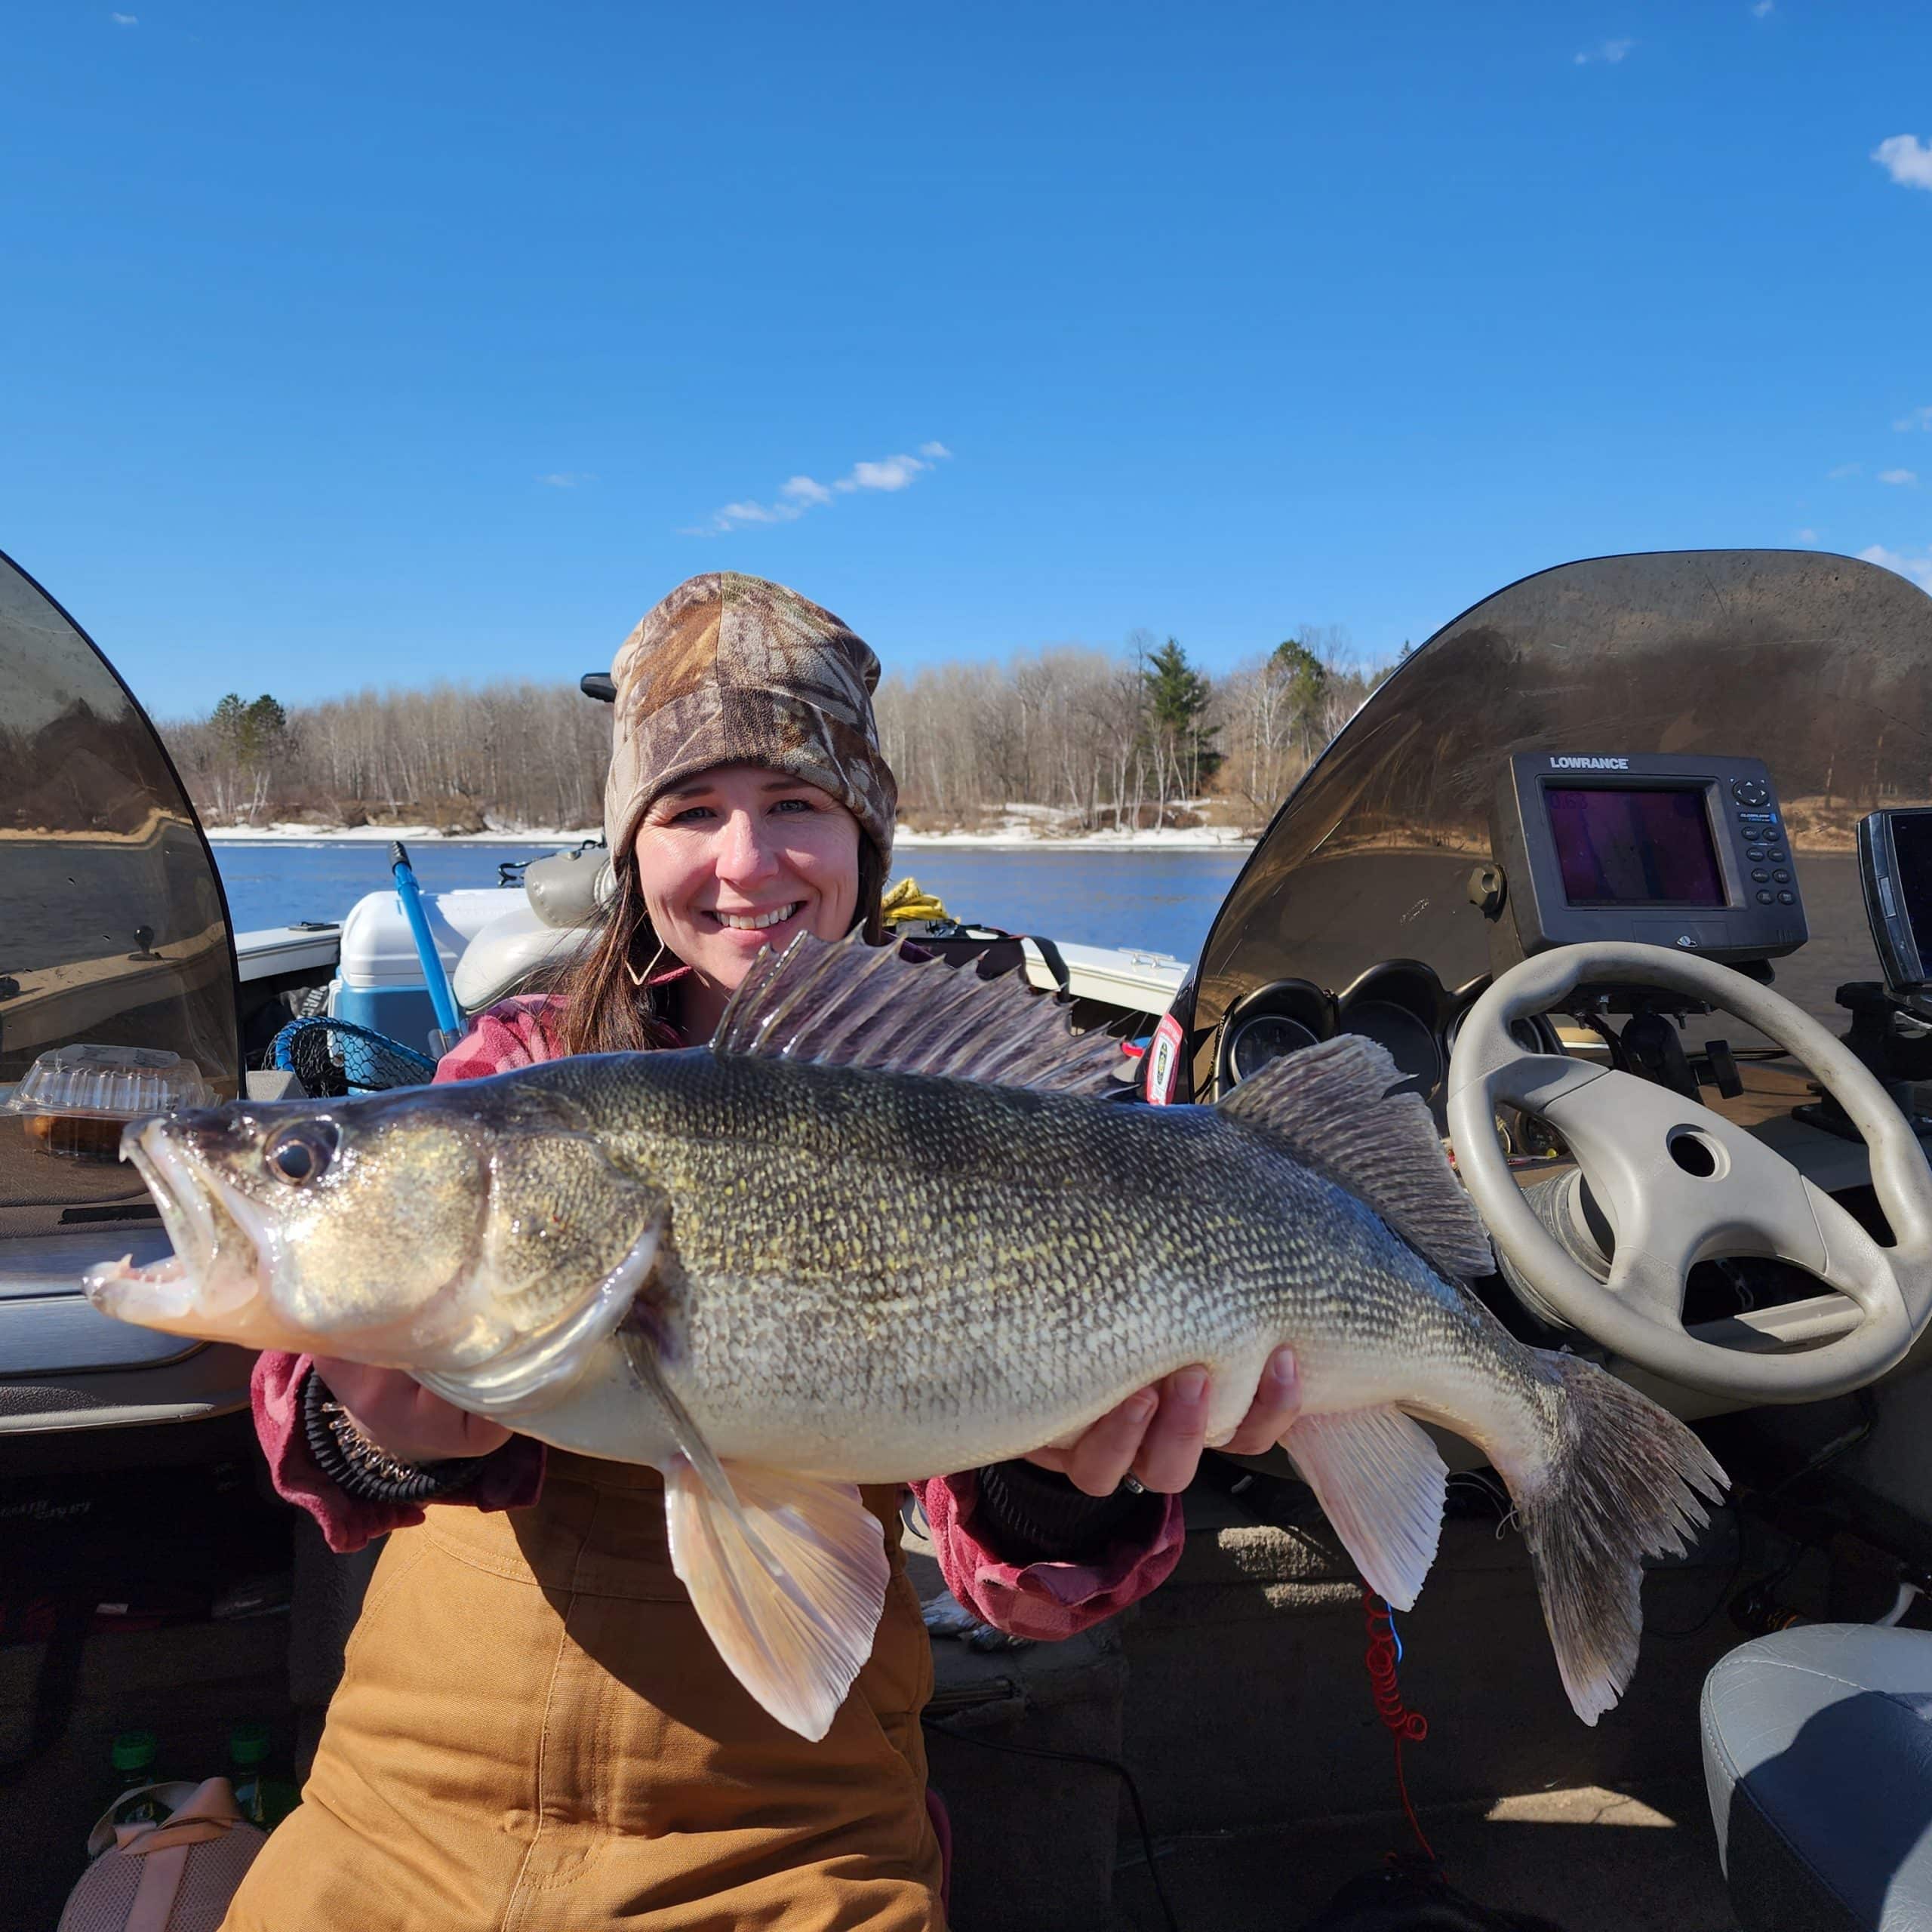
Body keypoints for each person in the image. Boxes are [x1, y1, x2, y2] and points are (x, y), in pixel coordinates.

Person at [222, 572, 1301, 1930]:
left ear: (863, 834)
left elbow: (1016, 1585)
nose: (745, 862)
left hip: (792, 1843)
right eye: (688, 811)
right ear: (631, 851)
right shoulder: (521, 1068)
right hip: (403, 1812)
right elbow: (300, 1411)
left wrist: (1064, 1494)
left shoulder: (965, 1109)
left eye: (795, 804)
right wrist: (375, 1427)